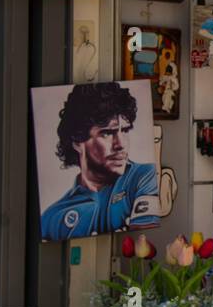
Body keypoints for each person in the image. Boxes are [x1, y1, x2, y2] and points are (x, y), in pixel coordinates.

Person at [40, 82, 159, 240]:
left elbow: (145, 243)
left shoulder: (143, 176)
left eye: (125, 130)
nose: (121, 144)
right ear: (77, 140)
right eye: (107, 133)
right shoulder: (52, 218)